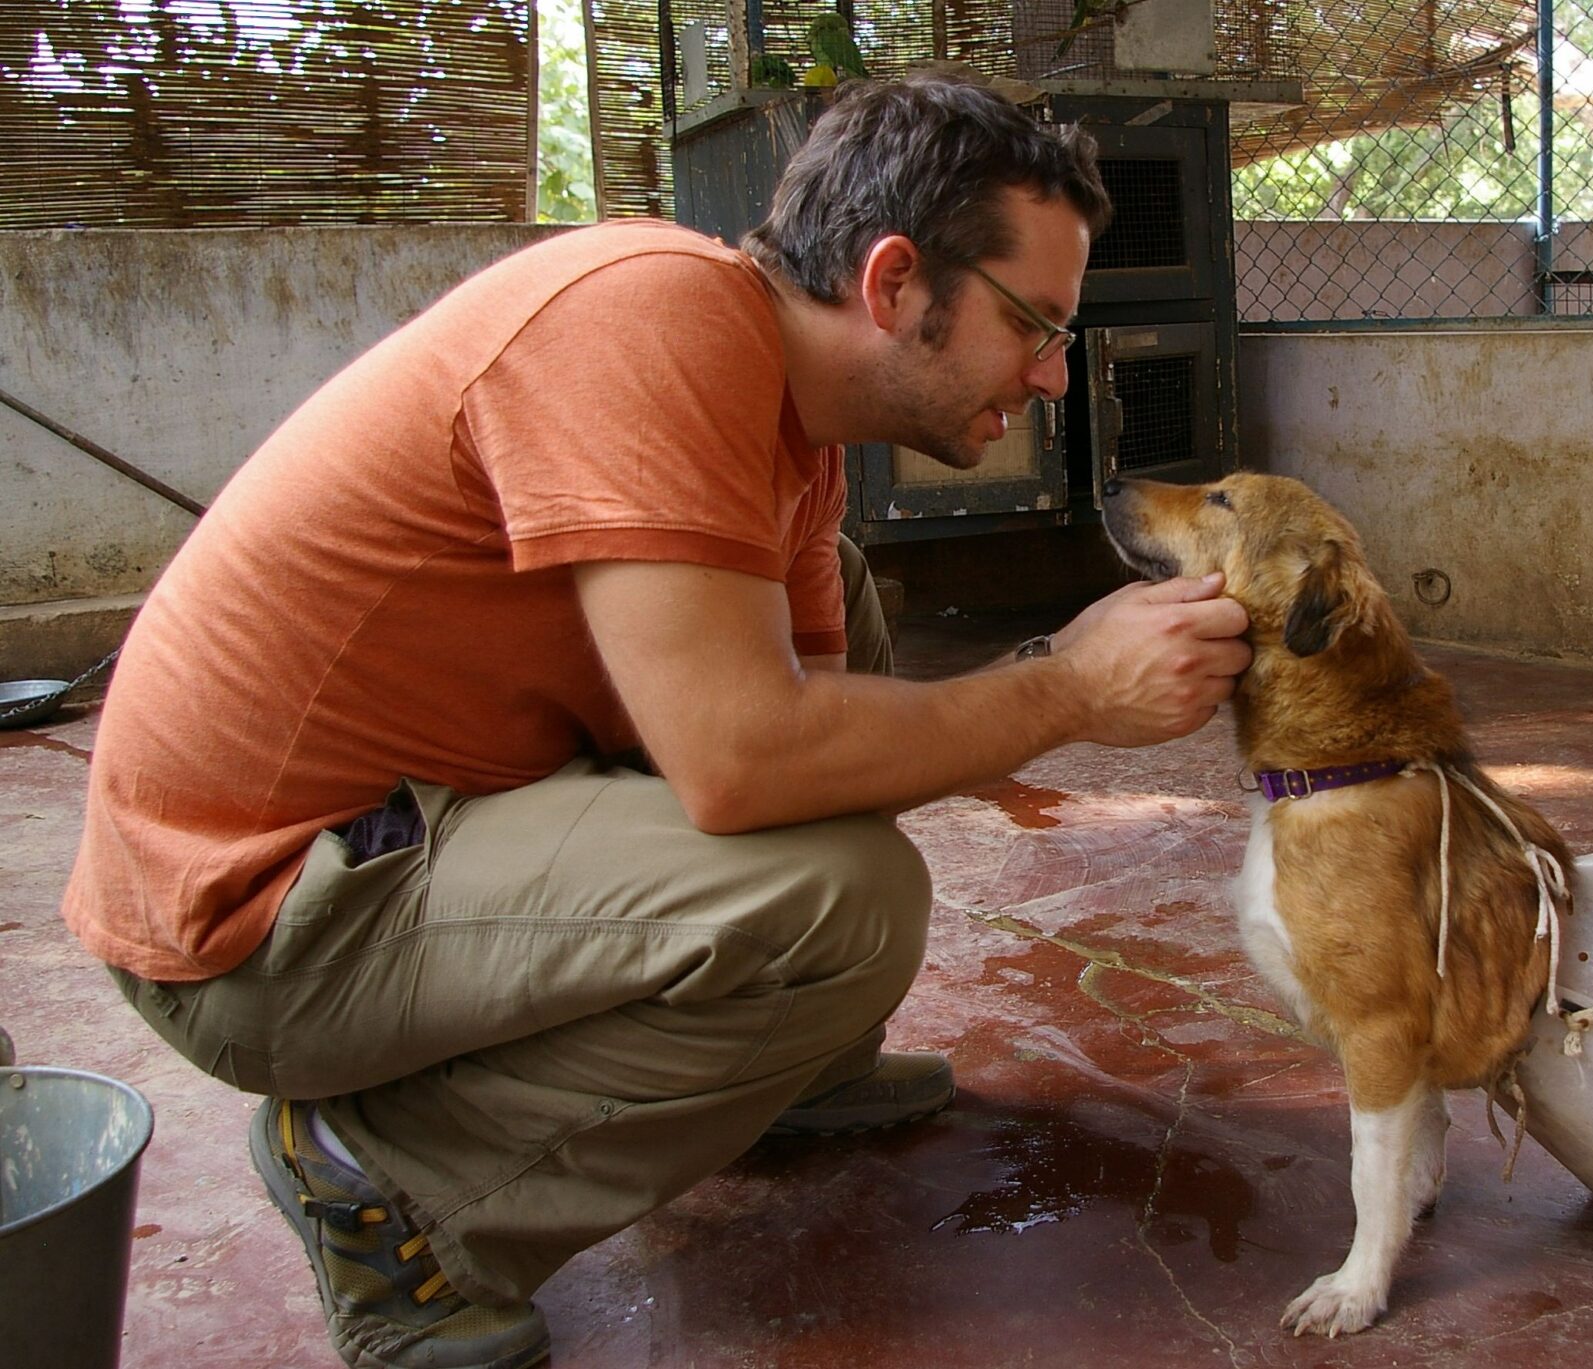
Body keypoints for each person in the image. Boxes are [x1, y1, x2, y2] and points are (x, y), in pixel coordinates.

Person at [61, 75, 1250, 1369]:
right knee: (838, 902)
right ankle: (393, 1182)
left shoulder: (788, 429)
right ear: (895, 282)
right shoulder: (657, 319)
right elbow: (746, 764)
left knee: (835, 630)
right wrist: (1064, 686)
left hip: (408, 822)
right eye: (1036, 323)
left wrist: (1040, 682)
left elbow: (815, 733)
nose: (1054, 376)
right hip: (258, 909)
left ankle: (786, 1061)